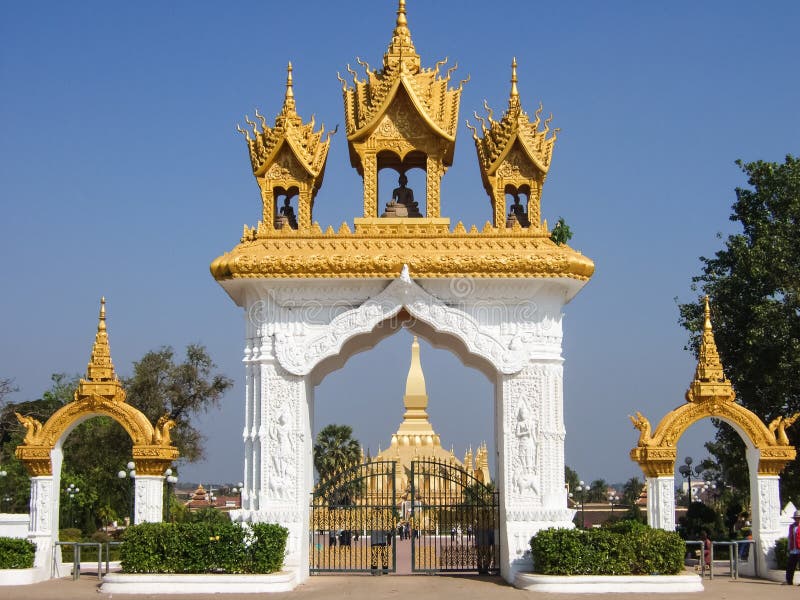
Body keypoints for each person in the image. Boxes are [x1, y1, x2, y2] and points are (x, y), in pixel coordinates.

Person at [786, 510, 800, 584]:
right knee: (790, 566)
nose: (796, 519)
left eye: (798, 518)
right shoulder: (791, 526)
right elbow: (789, 537)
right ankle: (789, 581)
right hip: (793, 549)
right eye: (795, 518)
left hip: (799, 548)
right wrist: (788, 548)